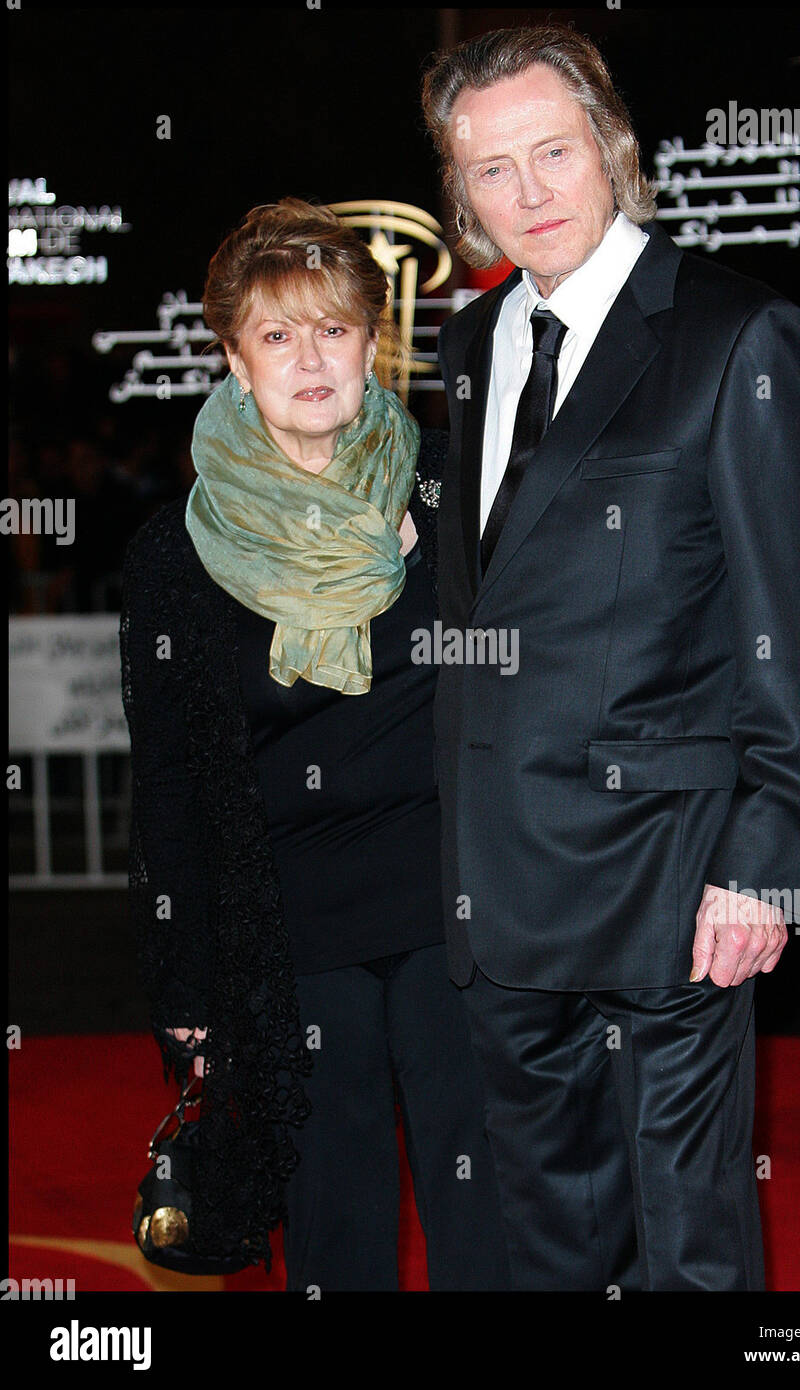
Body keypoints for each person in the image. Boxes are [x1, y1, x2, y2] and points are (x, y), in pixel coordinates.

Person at [421, 24, 800, 1290]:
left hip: (669, 882)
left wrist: (764, 866)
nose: (529, 193)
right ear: (461, 193)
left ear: (611, 150)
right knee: (547, 1237)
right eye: (491, 171)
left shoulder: (732, 335)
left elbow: (794, 624)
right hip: (497, 880)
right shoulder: (465, 351)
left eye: (552, 152)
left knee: (688, 1243)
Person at [119, 198, 509, 1291]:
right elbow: (169, 786)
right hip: (293, 932)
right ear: (233, 358)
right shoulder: (176, 551)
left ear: (369, 341)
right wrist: (189, 980)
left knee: (491, 1223)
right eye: (277, 333)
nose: (309, 358)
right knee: (334, 1230)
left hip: (459, 915)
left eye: (332, 328)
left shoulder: (453, 485)